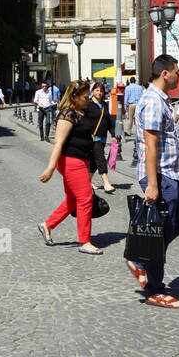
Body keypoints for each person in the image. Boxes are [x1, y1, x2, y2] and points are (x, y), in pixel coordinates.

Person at [128, 54, 179, 309]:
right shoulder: (153, 100)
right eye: (177, 72)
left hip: (169, 173)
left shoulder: (160, 99)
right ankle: (154, 287)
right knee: (157, 231)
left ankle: (141, 260)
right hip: (160, 174)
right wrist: (152, 184)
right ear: (166, 73)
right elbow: (151, 144)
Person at [38, 81, 103, 255]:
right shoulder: (67, 114)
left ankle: (47, 225)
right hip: (70, 161)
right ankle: (85, 241)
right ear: (74, 97)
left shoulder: (82, 111)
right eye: (84, 97)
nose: (87, 99)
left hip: (82, 160)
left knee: (73, 200)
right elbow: (58, 143)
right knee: (85, 199)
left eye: (88, 96)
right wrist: (50, 168)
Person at [89, 82, 116, 194]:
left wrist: (113, 135)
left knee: (94, 162)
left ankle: (87, 181)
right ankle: (106, 183)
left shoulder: (104, 105)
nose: (99, 93)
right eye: (97, 90)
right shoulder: (89, 105)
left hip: (103, 137)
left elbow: (109, 121)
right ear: (93, 92)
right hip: (93, 138)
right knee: (101, 158)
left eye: (101, 91)